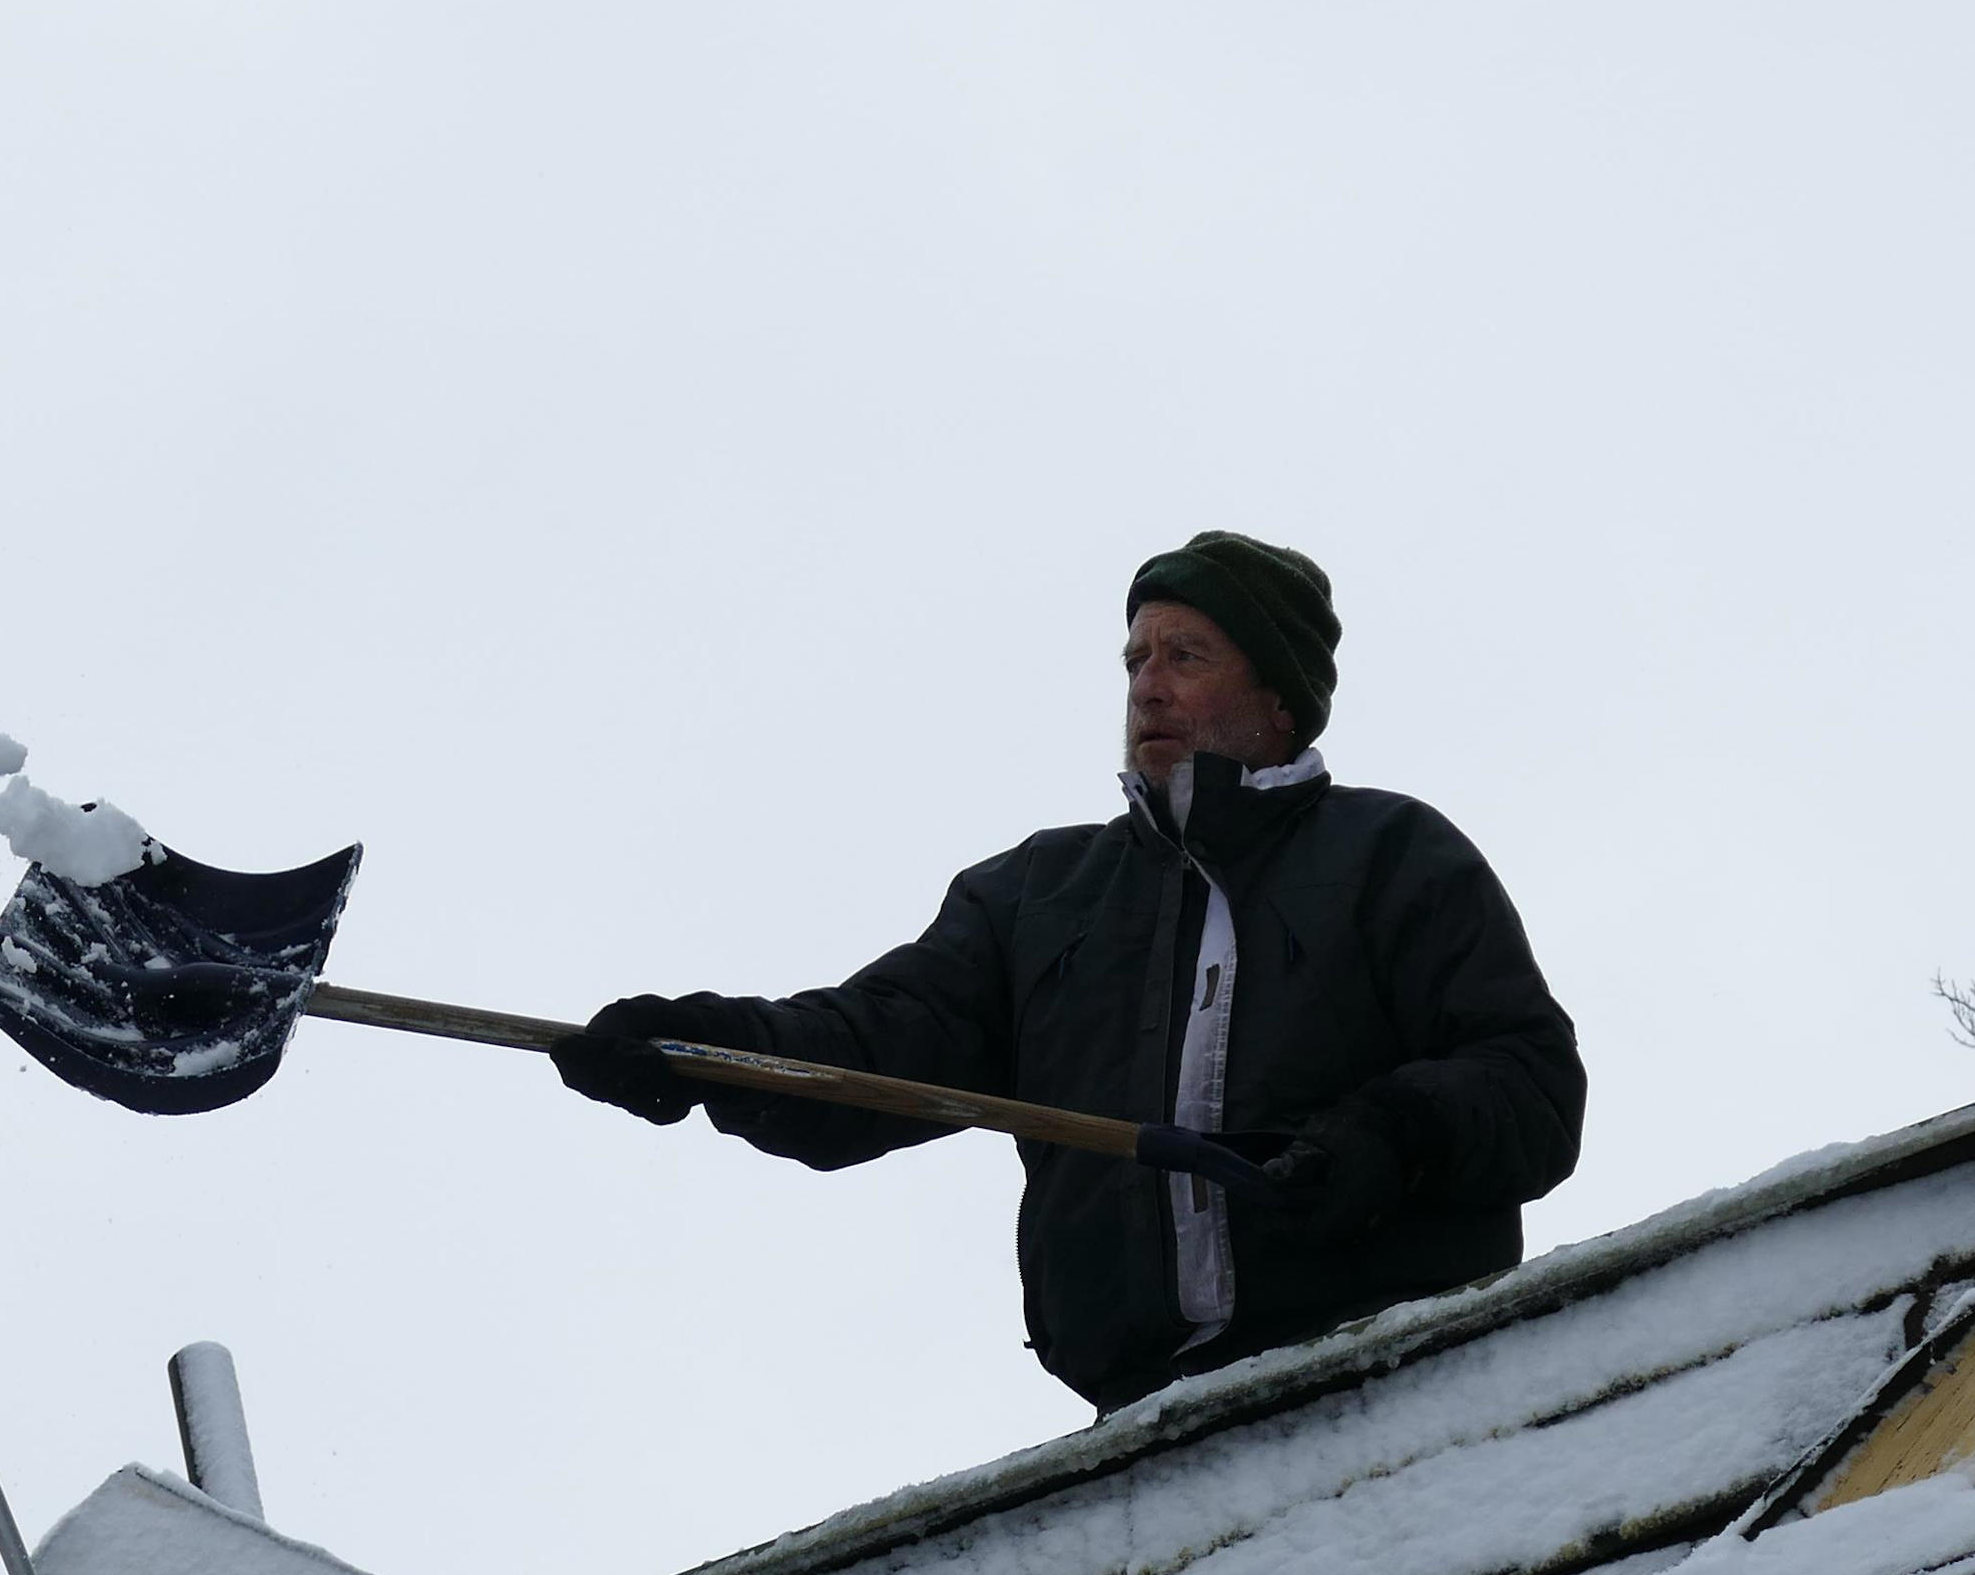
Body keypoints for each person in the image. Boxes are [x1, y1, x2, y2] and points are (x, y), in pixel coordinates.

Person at [554, 532, 1584, 1412]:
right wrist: (708, 1052)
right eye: (1135, 656)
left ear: (1277, 694)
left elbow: (1532, 1083)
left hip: (1400, 1386)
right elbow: (879, 1041)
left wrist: (1383, 1141)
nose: (1148, 682)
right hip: (1137, 1423)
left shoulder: (1393, 853)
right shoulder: (1039, 893)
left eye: (1188, 652)